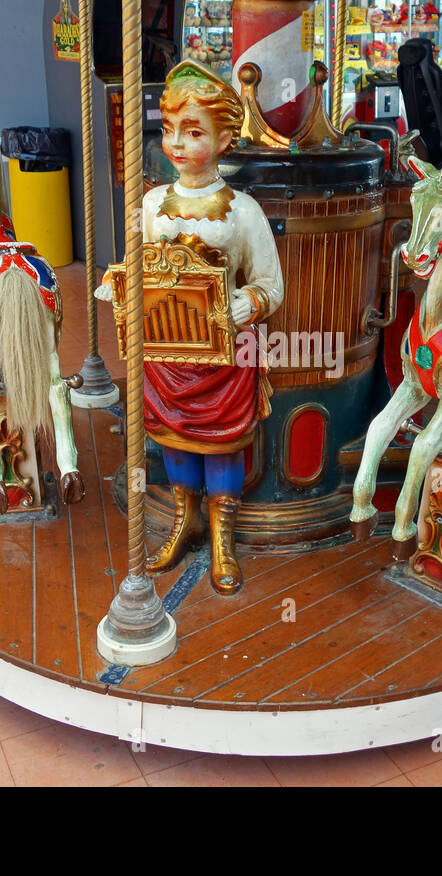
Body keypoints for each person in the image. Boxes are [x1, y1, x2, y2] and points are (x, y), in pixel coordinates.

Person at [98, 61, 283, 595]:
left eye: (194, 131)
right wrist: (125, 286)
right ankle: (186, 519)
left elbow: (271, 284)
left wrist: (241, 306)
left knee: (222, 443)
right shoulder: (152, 204)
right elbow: (136, 263)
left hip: (223, 353)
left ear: (226, 138)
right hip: (167, 348)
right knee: (173, 437)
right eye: (169, 129)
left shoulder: (242, 212)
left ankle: (223, 535)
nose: (177, 143)